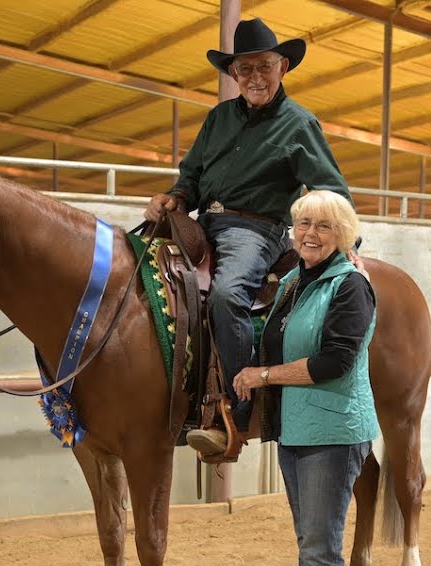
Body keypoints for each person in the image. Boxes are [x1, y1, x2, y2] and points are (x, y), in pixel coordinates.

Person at [143, 17, 353, 457]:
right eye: (245, 69)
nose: (255, 77)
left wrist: (341, 241)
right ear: (234, 74)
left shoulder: (299, 124)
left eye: (263, 67)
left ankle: (233, 415)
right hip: (203, 223)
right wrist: (176, 197)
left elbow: (332, 190)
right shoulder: (218, 118)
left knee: (226, 296)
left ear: (282, 68)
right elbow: (192, 176)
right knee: (142, 272)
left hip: (258, 230)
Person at [230, 189, 377, 566]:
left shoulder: (351, 286)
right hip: (299, 433)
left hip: (334, 434)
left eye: (323, 225)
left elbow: (335, 361)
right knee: (317, 551)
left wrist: (263, 376)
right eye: (302, 224)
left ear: (343, 232)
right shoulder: (296, 280)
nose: (309, 233)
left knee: (318, 555)